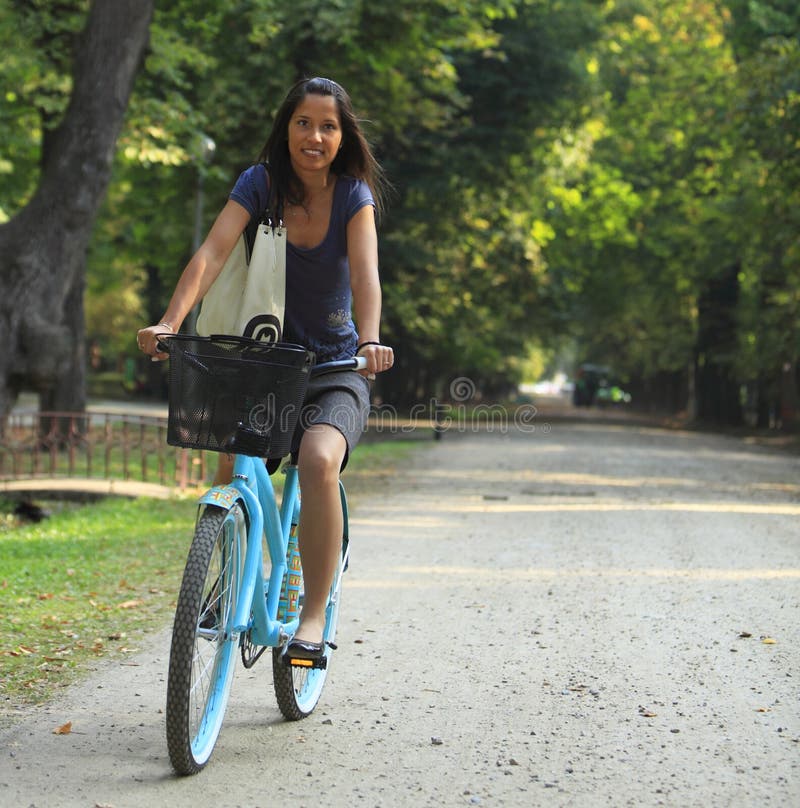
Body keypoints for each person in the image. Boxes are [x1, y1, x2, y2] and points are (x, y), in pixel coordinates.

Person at [137, 77, 393, 659]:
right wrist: (171, 321)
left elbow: (364, 277)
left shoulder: (353, 195)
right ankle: (229, 585)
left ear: (342, 137)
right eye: (304, 122)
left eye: (328, 126)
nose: (315, 136)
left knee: (319, 459)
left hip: (334, 367)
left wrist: (372, 339)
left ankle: (311, 618)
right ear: (287, 128)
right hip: (266, 363)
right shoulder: (260, 184)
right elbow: (212, 252)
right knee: (233, 458)